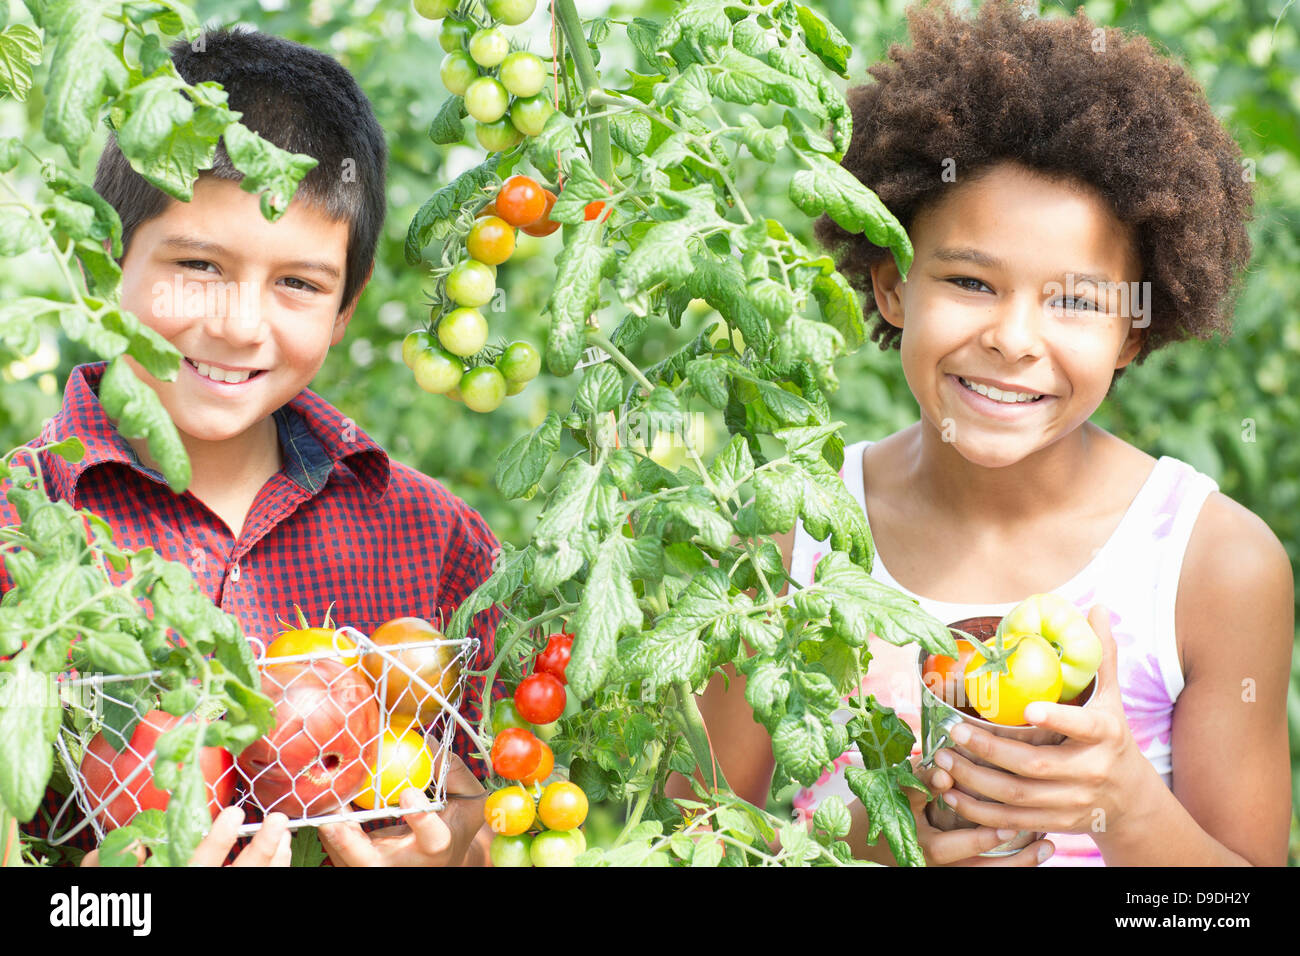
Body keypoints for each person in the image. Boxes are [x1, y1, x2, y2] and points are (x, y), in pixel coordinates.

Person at [697, 0, 1292, 865]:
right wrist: (891, 833)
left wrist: (1123, 810)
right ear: (891, 284)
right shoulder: (790, 534)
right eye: (972, 282)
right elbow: (694, 841)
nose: (1014, 338)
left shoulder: (1211, 565)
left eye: (1077, 300)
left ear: (1133, 330)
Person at [4, 26, 501, 866]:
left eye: (298, 284)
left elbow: (476, 810)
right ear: (100, 257)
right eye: (197, 265)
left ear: (347, 307)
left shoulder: (434, 542)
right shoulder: (21, 531)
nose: (238, 326)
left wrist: (452, 847)